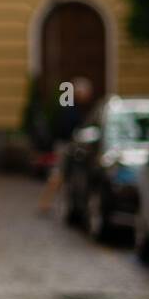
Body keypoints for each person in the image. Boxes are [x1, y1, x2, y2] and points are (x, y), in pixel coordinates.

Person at [37, 77, 94, 215]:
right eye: (86, 93)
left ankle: (47, 203)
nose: (88, 97)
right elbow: (66, 128)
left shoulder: (69, 105)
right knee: (59, 173)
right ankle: (45, 203)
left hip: (64, 144)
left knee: (60, 174)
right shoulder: (70, 107)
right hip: (65, 145)